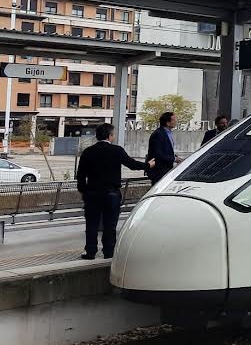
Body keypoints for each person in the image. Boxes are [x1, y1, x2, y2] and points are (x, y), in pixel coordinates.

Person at [75, 124, 153, 259]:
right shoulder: (117, 150)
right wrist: (148, 165)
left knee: (92, 223)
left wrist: (83, 191)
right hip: (111, 194)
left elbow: (81, 175)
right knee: (110, 224)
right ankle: (109, 252)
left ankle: (90, 251)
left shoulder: (88, 152)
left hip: (92, 194)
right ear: (109, 136)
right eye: (113, 134)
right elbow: (132, 164)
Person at [146, 111, 177, 184]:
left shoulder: (168, 133)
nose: (176, 121)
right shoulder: (158, 134)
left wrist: (175, 157)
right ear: (167, 122)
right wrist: (174, 159)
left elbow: (167, 150)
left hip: (166, 169)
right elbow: (158, 154)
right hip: (159, 170)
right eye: (174, 119)